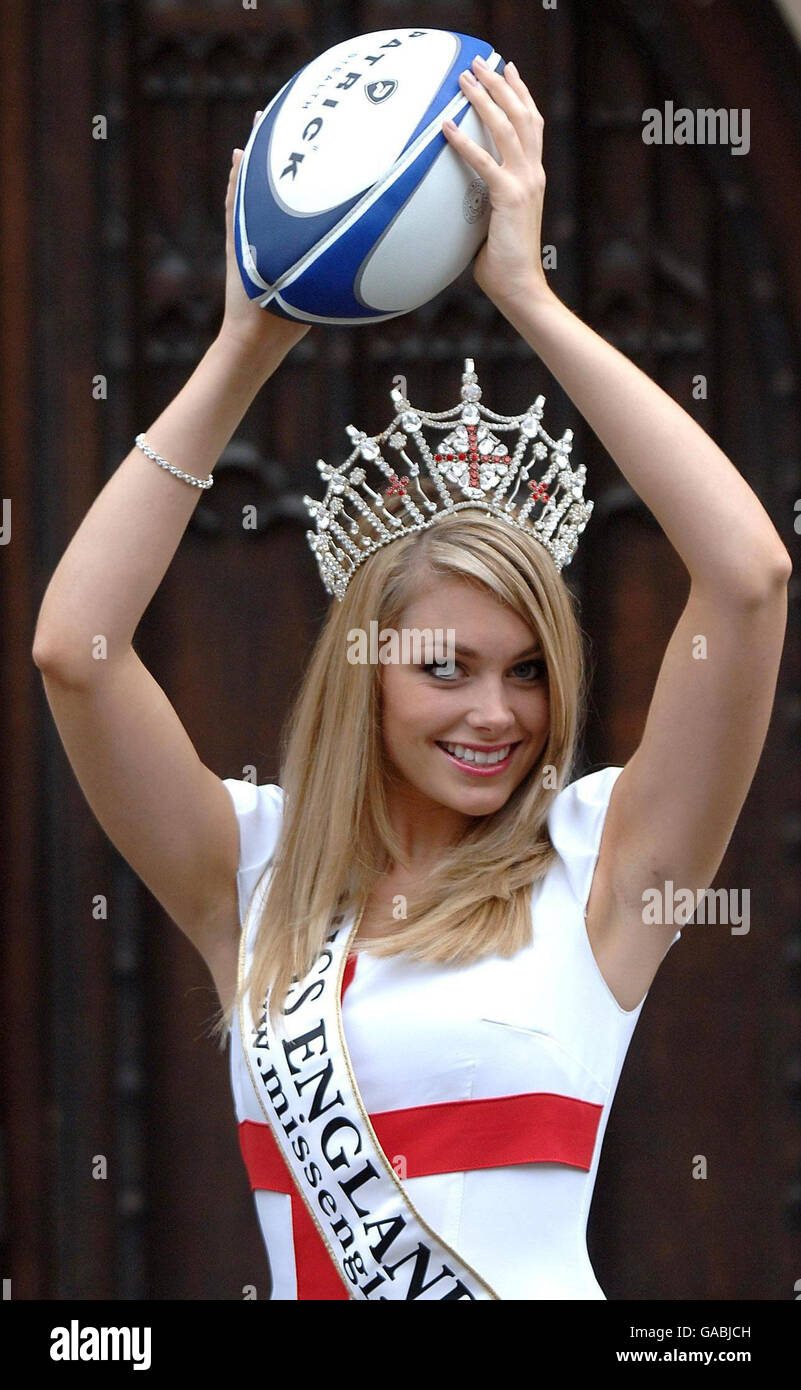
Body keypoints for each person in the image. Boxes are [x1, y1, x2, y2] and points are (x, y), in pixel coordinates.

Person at [33, 56, 791, 1301]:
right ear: (366, 675)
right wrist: (243, 347)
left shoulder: (602, 867)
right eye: (447, 667)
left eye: (531, 671)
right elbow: (75, 650)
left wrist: (532, 301)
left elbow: (751, 578)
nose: (499, 713)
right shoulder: (255, 878)